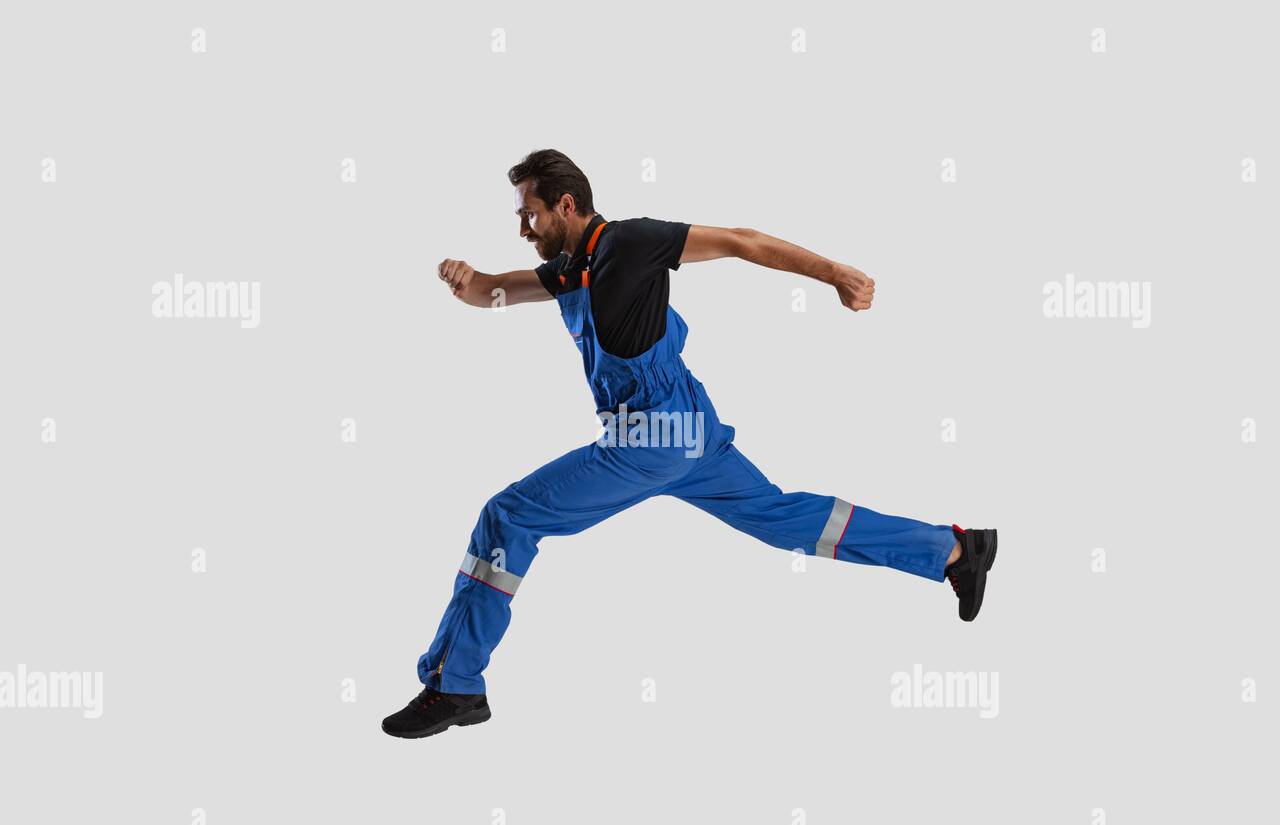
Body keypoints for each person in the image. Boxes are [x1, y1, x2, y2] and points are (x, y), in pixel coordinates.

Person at [382, 149, 997, 739]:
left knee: (508, 515)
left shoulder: (631, 241)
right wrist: (465, 280)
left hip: (651, 438)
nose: (523, 227)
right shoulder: (571, 267)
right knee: (783, 518)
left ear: (565, 205)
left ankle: (455, 683)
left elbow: (741, 240)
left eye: (529, 213)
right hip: (690, 432)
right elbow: (497, 291)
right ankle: (952, 551)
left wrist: (835, 273)